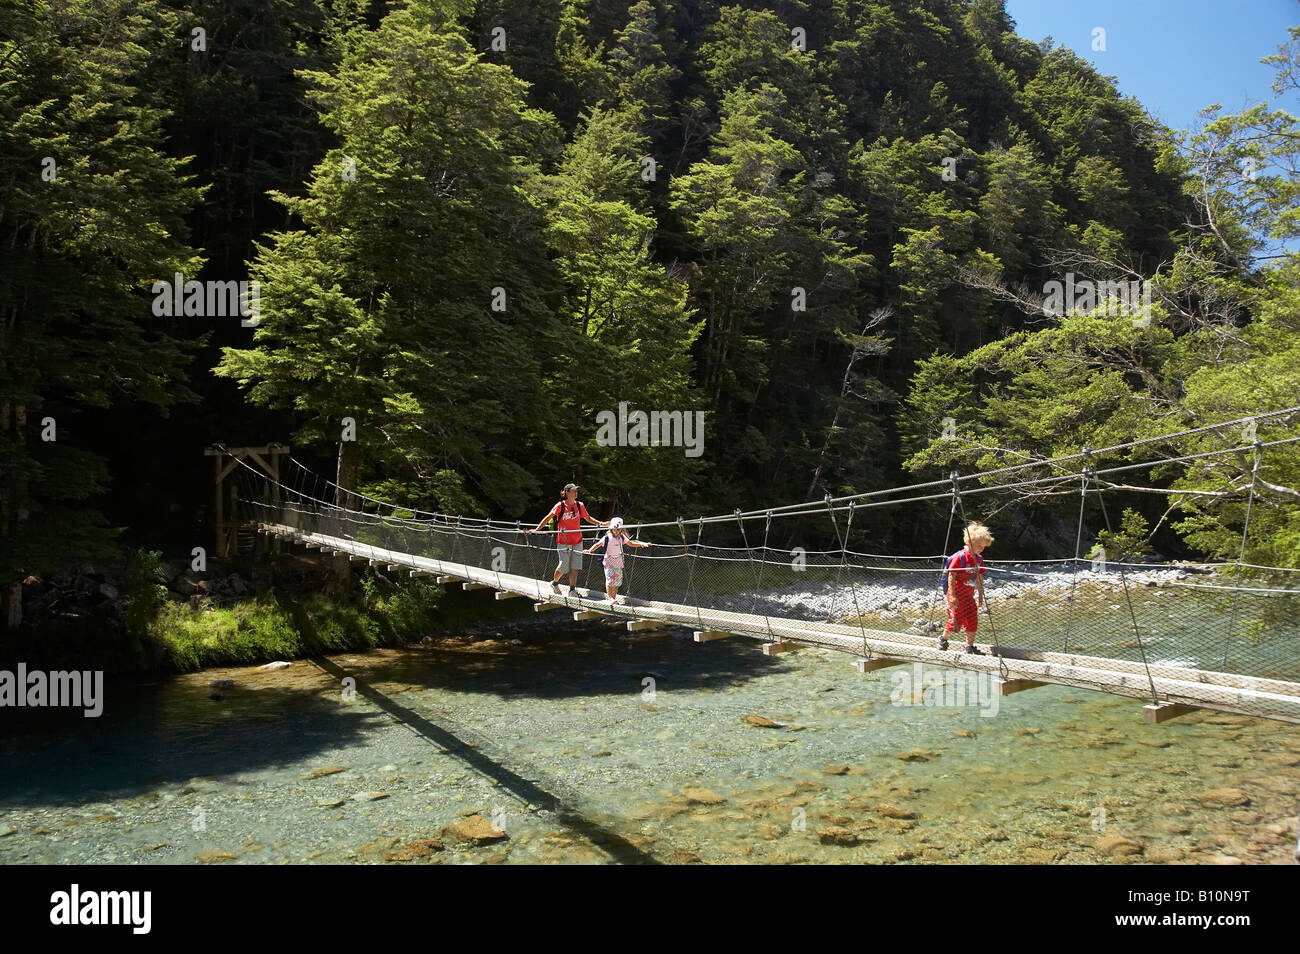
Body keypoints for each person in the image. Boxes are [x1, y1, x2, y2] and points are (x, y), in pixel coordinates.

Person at [527, 483, 607, 592]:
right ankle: (555, 582)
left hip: (577, 540)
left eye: (576, 491)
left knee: (575, 566)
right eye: (574, 490)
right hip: (563, 541)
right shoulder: (560, 506)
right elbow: (548, 517)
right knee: (564, 566)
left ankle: (572, 590)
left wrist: (601, 523)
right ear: (567, 493)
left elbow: (588, 518)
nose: (576, 492)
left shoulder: (580, 505)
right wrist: (537, 529)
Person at [938, 521, 993, 654]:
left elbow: (979, 578)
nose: (981, 549)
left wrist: (980, 595)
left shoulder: (979, 559)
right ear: (969, 542)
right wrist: (951, 596)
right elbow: (951, 576)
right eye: (979, 546)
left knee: (972, 620)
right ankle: (943, 639)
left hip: (969, 595)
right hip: (957, 594)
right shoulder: (959, 557)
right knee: (956, 620)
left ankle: (969, 646)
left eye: (983, 547)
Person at [585, 517, 651, 603]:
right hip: (609, 561)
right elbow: (597, 544)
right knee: (610, 580)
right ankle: (610, 598)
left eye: (618, 530)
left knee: (617, 582)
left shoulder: (622, 537)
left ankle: (614, 597)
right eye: (615, 530)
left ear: (621, 530)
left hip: (618, 562)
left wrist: (642, 544)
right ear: (611, 529)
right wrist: (590, 550)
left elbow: (631, 544)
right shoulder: (607, 538)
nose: (617, 531)